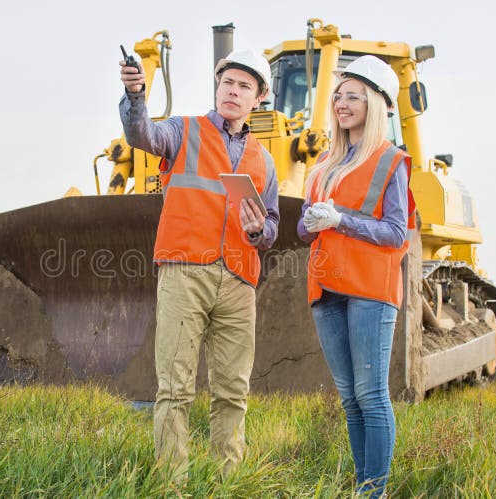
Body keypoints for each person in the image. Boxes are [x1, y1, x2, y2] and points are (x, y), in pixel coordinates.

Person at [119, 49, 280, 477]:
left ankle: (228, 482)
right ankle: (172, 483)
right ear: (217, 85)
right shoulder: (182, 131)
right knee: (175, 388)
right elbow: (141, 134)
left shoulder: (264, 160)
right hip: (185, 271)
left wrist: (258, 231)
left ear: (259, 98)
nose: (233, 91)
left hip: (239, 281)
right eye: (228, 82)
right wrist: (136, 95)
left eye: (244, 86)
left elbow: (272, 225)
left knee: (233, 392)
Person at [297, 55, 416, 497]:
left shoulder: (391, 162)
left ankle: (373, 491)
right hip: (326, 289)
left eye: (353, 96)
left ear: (375, 104)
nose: (342, 104)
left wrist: (340, 220)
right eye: (338, 96)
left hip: (369, 289)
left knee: (371, 395)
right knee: (350, 398)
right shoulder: (322, 164)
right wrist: (312, 222)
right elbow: (304, 230)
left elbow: (397, 232)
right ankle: (363, 487)